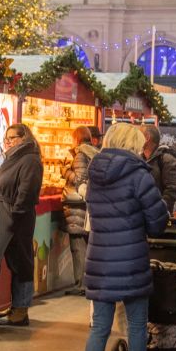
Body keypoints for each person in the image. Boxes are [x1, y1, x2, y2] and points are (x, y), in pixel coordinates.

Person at [78, 123, 168, 351]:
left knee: (99, 327)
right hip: (130, 259)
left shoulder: (94, 174)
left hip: (100, 257)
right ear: (133, 146)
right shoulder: (138, 175)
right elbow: (157, 221)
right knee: (137, 324)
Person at [0, 124, 43, 326]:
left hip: (18, 220)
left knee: (22, 263)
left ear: (23, 138)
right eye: (6, 138)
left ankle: (21, 310)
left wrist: (14, 216)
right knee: (14, 262)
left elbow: (27, 192)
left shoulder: (29, 159)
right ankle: (16, 306)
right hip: (8, 216)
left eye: (12, 138)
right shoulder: (15, 157)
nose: (8, 142)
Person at [62, 126, 99, 296]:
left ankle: (81, 284)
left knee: (78, 247)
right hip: (87, 208)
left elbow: (79, 179)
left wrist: (65, 170)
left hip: (77, 208)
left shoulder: (80, 154)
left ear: (76, 138)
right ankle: (88, 281)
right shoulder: (94, 152)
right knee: (87, 246)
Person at [140, 125, 176, 213]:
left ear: (147, 137)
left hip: (159, 217)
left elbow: (173, 189)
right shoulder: (139, 159)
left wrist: (159, 209)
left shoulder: (166, 159)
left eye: (138, 134)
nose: (135, 138)